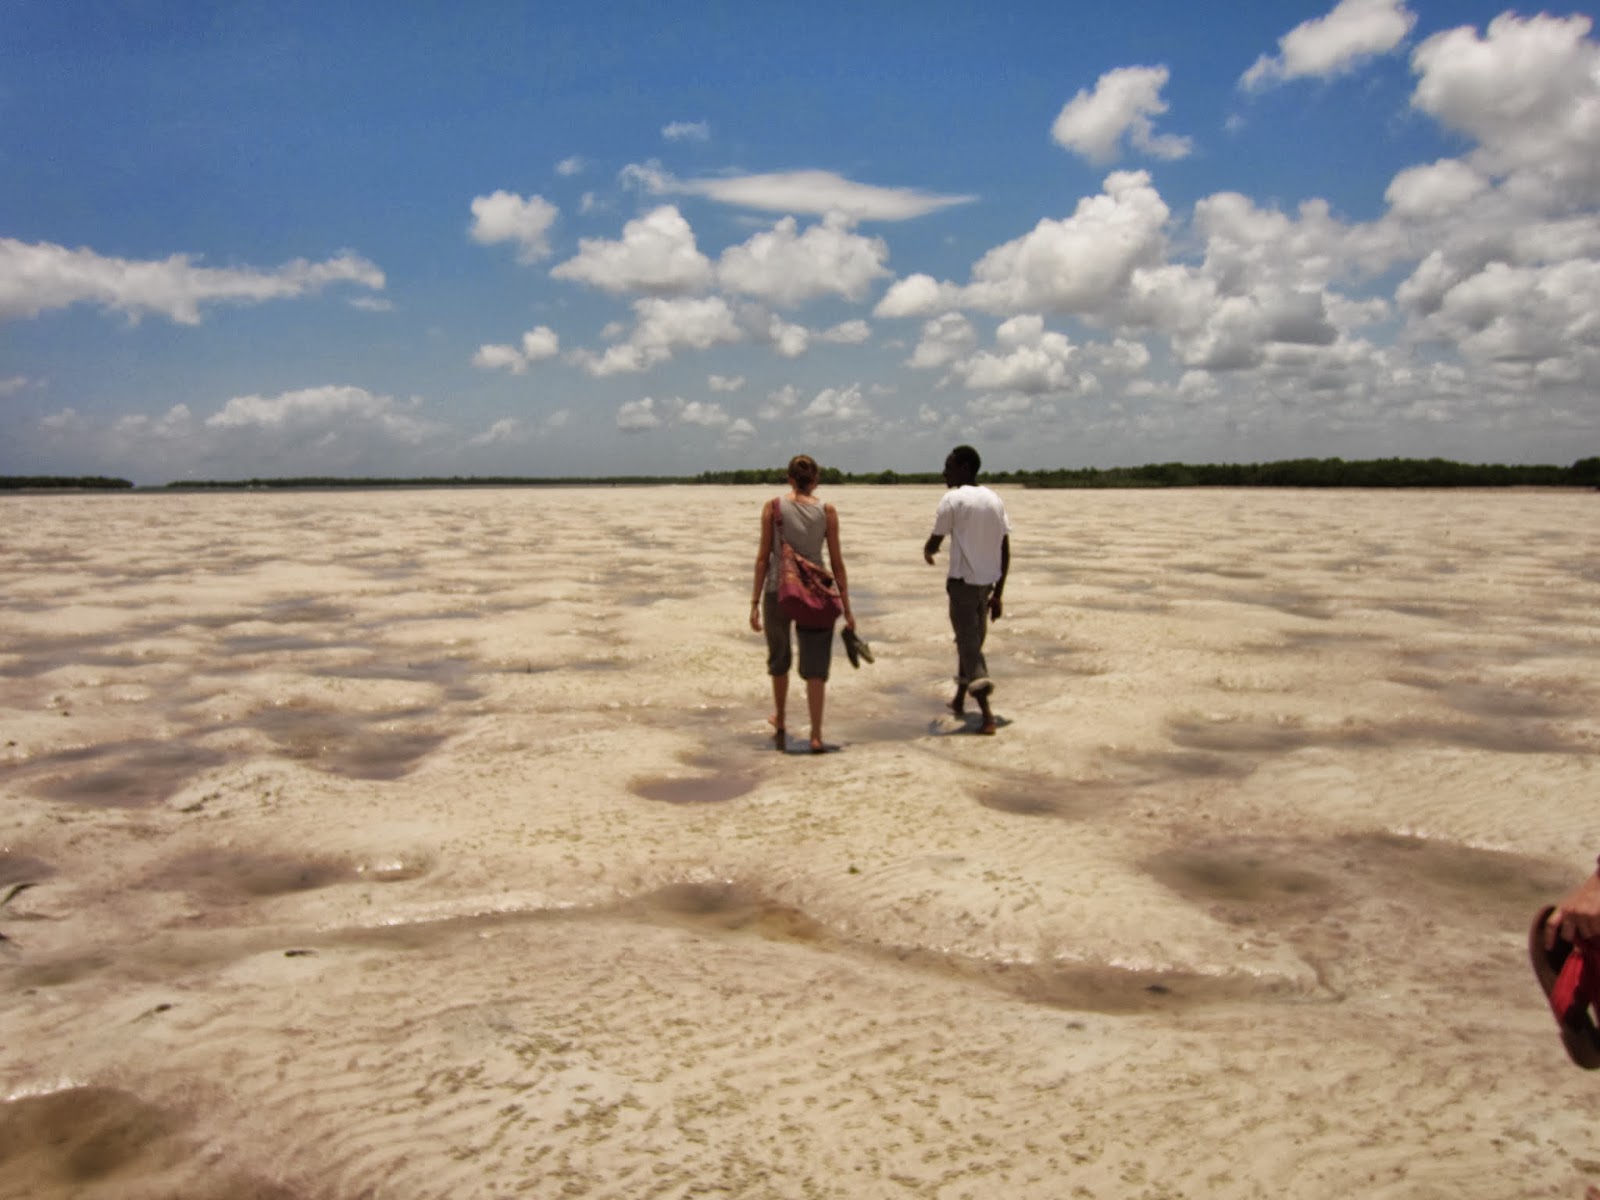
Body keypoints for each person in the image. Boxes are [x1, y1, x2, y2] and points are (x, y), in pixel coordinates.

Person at [750, 455, 855, 753]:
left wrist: (754, 602)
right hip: (817, 594)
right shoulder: (828, 511)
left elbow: (762, 559)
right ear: (816, 479)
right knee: (815, 666)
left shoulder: (773, 508)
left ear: (789, 478)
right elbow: (837, 563)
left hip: (778, 590)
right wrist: (846, 607)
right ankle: (816, 734)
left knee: (779, 658)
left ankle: (781, 719)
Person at [923, 444, 1010, 735]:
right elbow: (1004, 547)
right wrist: (998, 592)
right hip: (986, 586)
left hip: (962, 585)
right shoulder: (994, 499)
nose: (944, 471)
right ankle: (960, 699)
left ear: (965, 468)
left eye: (949, 466)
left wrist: (928, 550)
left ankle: (986, 716)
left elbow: (937, 537)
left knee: (969, 646)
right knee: (969, 641)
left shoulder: (953, 499)